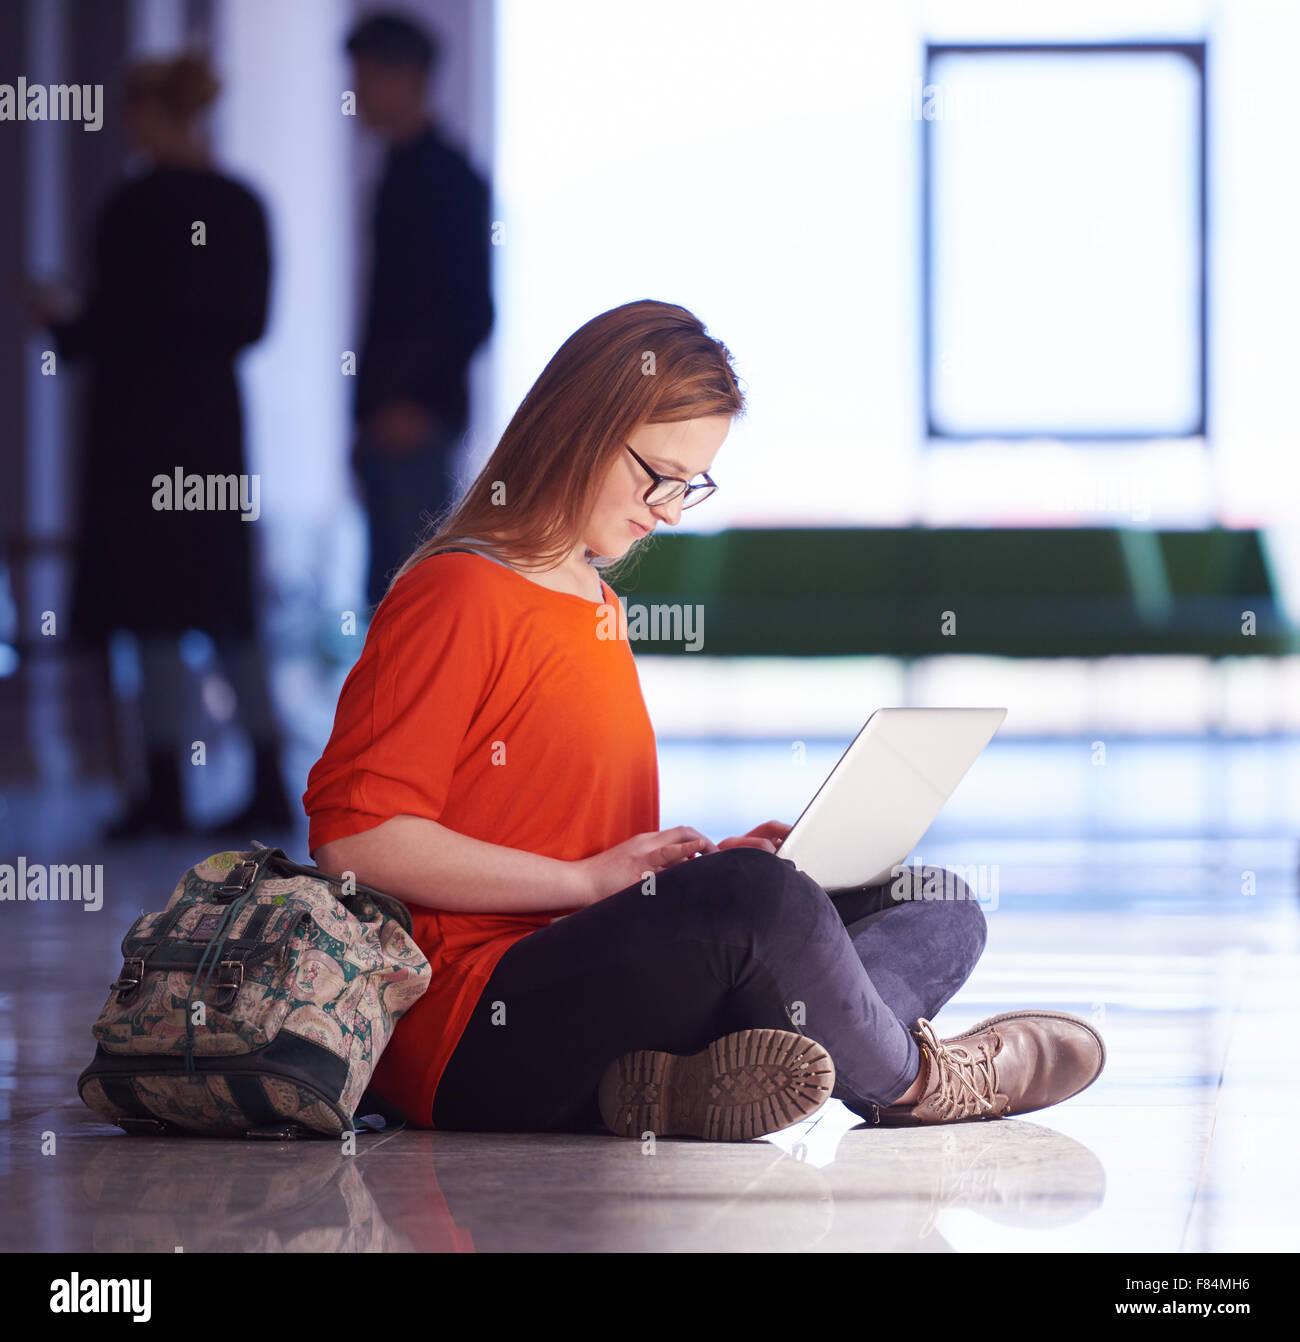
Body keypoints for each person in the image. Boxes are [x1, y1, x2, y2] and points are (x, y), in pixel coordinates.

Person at [303, 299, 1106, 1139]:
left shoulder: (597, 606)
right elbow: (359, 844)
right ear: (579, 425)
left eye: (690, 486)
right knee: (759, 902)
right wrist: (599, 885)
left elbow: (584, 839)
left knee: (930, 899)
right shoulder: (457, 593)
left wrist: (713, 866)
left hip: (597, 992)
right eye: (659, 475)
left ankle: (681, 1082)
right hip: (474, 1029)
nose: (671, 510)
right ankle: (918, 1083)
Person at [28, 52, 292, 839]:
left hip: (137, 434)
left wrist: (62, 319)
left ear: (151, 113)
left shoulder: (134, 207)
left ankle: (168, 785)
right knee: (226, 609)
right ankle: (269, 776)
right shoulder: (241, 205)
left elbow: (104, 325)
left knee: (153, 614)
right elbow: (248, 323)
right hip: (212, 433)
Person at [344, 11, 495, 611]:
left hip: (414, 422)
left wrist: (414, 401)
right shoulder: (404, 173)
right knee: (396, 599)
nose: (354, 96)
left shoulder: (444, 178)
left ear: (405, 76)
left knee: (412, 604)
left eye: (363, 77)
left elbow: (471, 310)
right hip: (392, 418)